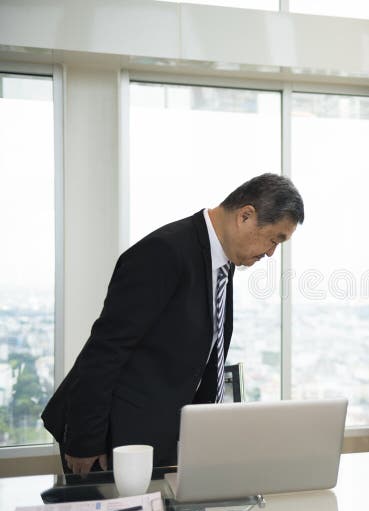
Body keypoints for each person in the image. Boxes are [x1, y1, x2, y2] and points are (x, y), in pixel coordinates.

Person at [42, 173, 304, 473]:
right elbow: (105, 350)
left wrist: (204, 437)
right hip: (114, 436)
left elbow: (203, 356)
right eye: (274, 239)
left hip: (161, 433)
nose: (270, 253)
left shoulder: (221, 262)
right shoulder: (164, 252)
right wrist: (84, 441)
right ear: (245, 216)